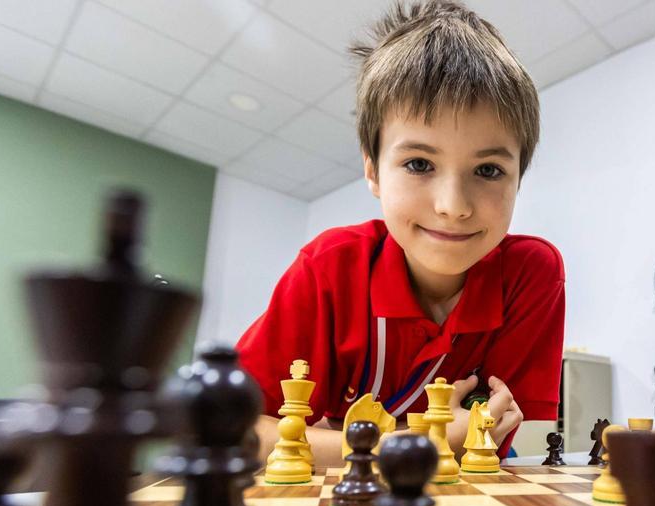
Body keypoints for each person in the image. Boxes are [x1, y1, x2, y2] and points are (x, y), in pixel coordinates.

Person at [236, 1, 564, 466]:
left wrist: (332, 440)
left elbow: (496, 437)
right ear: (372, 171)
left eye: (488, 169)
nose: (453, 206)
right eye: (419, 164)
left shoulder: (532, 274)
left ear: (518, 180)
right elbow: (232, 427)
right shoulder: (329, 266)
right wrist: (415, 444)